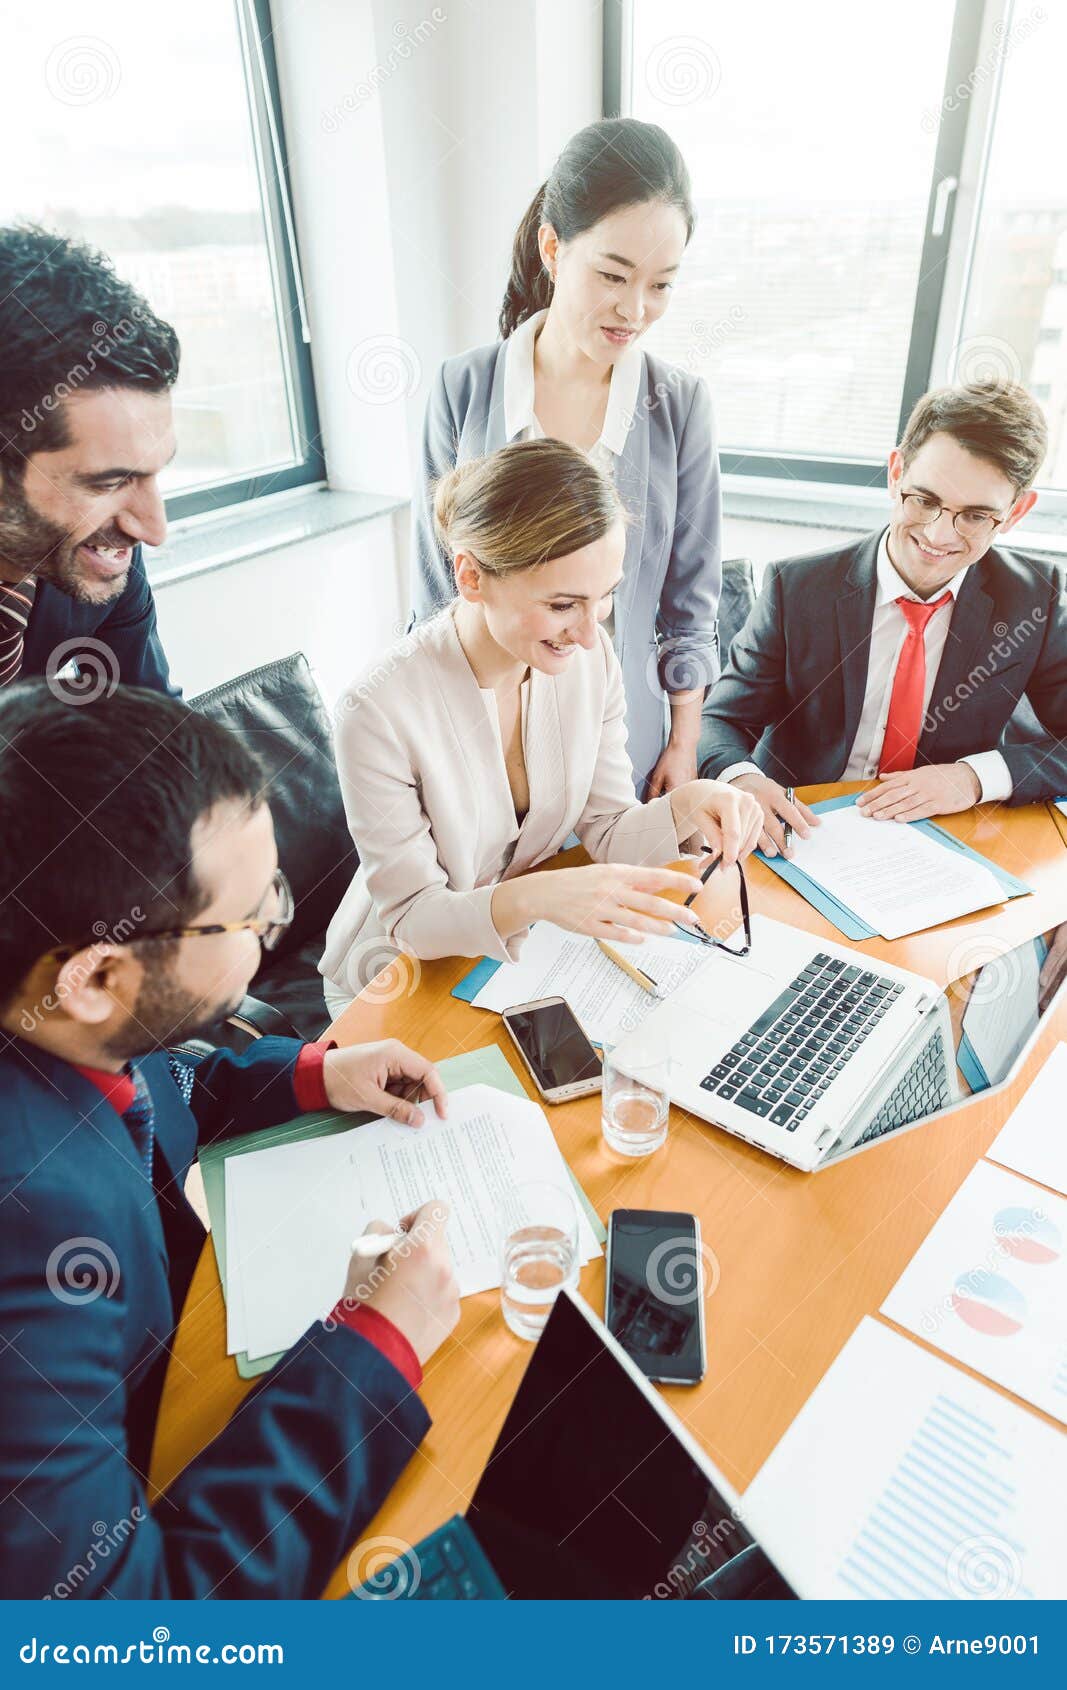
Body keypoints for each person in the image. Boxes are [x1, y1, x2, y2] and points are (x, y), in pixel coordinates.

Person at [0, 683, 460, 1598]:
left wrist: (313, 1074)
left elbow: (160, 1086)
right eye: (251, 921)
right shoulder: (31, 1229)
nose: (268, 940)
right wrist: (377, 1346)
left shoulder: (56, 1019)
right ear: (95, 975)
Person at [321, 439, 761, 1014]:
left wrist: (690, 804)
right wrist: (539, 897)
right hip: (397, 977)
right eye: (561, 605)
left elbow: (605, 826)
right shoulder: (375, 711)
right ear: (472, 578)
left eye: (603, 597)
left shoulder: (589, 658)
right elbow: (411, 917)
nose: (586, 633)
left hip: (523, 952)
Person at [408, 118, 721, 799]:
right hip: (482, 748)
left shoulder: (680, 407)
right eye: (612, 274)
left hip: (622, 752)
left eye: (661, 284)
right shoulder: (463, 391)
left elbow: (689, 604)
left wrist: (683, 743)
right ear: (552, 248)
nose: (634, 309)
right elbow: (432, 594)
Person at [699, 381, 1067, 854]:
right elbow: (720, 721)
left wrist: (974, 778)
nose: (939, 535)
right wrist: (744, 780)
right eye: (925, 499)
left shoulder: (1034, 599)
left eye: (976, 516)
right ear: (896, 473)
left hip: (944, 842)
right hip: (803, 831)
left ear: (1016, 512)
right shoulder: (797, 588)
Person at [0, 226, 179, 695]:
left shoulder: (101, 555)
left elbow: (154, 736)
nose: (154, 530)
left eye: (153, 473)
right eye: (108, 482)